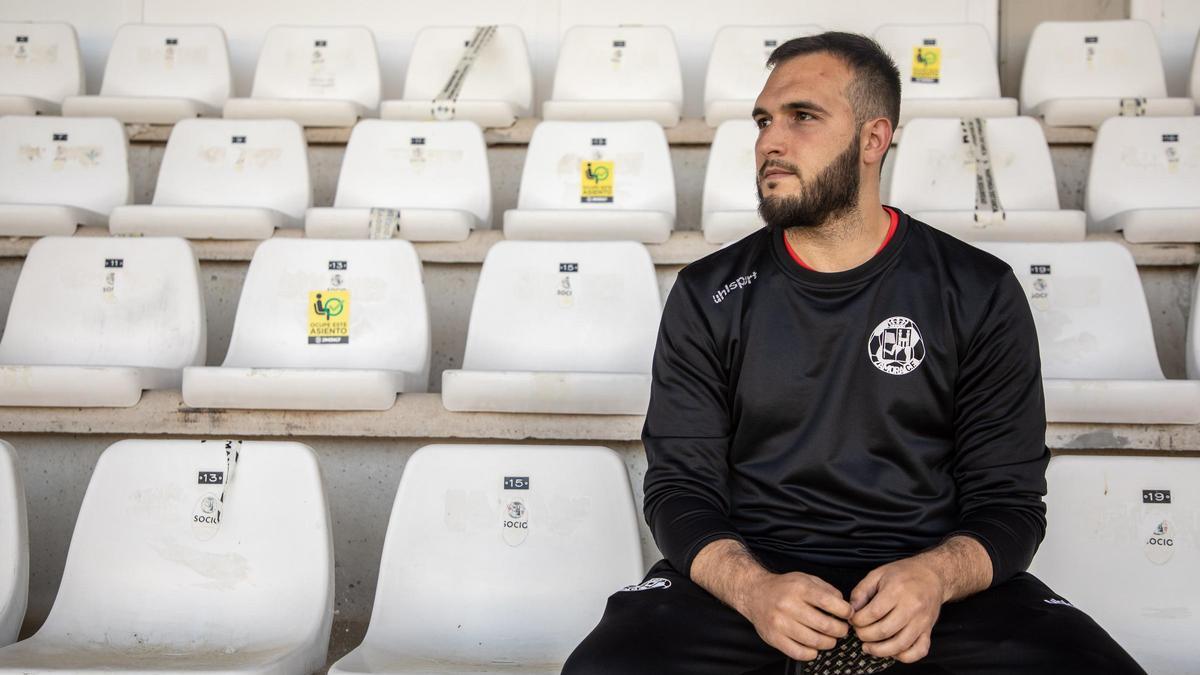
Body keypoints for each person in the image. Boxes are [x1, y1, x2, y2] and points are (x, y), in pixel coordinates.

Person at [562, 32, 1144, 675]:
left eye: (802, 117)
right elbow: (678, 489)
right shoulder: (708, 295)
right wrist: (754, 590)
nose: (769, 143)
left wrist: (934, 578)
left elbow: (1009, 501)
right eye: (763, 121)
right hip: (753, 584)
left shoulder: (977, 289)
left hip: (925, 590)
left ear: (873, 139)